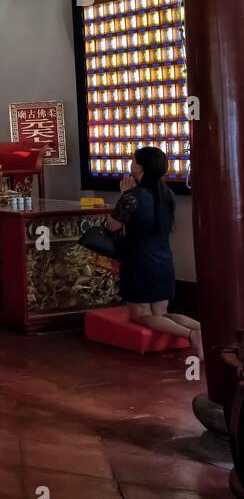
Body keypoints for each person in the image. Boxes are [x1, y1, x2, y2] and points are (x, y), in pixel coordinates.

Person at [104, 146, 200, 355]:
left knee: (140, 315)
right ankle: (201, 329)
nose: (131, 163)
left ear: (139, 167)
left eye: (133, 160)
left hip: (138, 260)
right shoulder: (169, 195)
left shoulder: (132, 197)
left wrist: (124, 195)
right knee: (161, 314)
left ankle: (191, 335)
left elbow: (113, 226)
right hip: (163, 258)